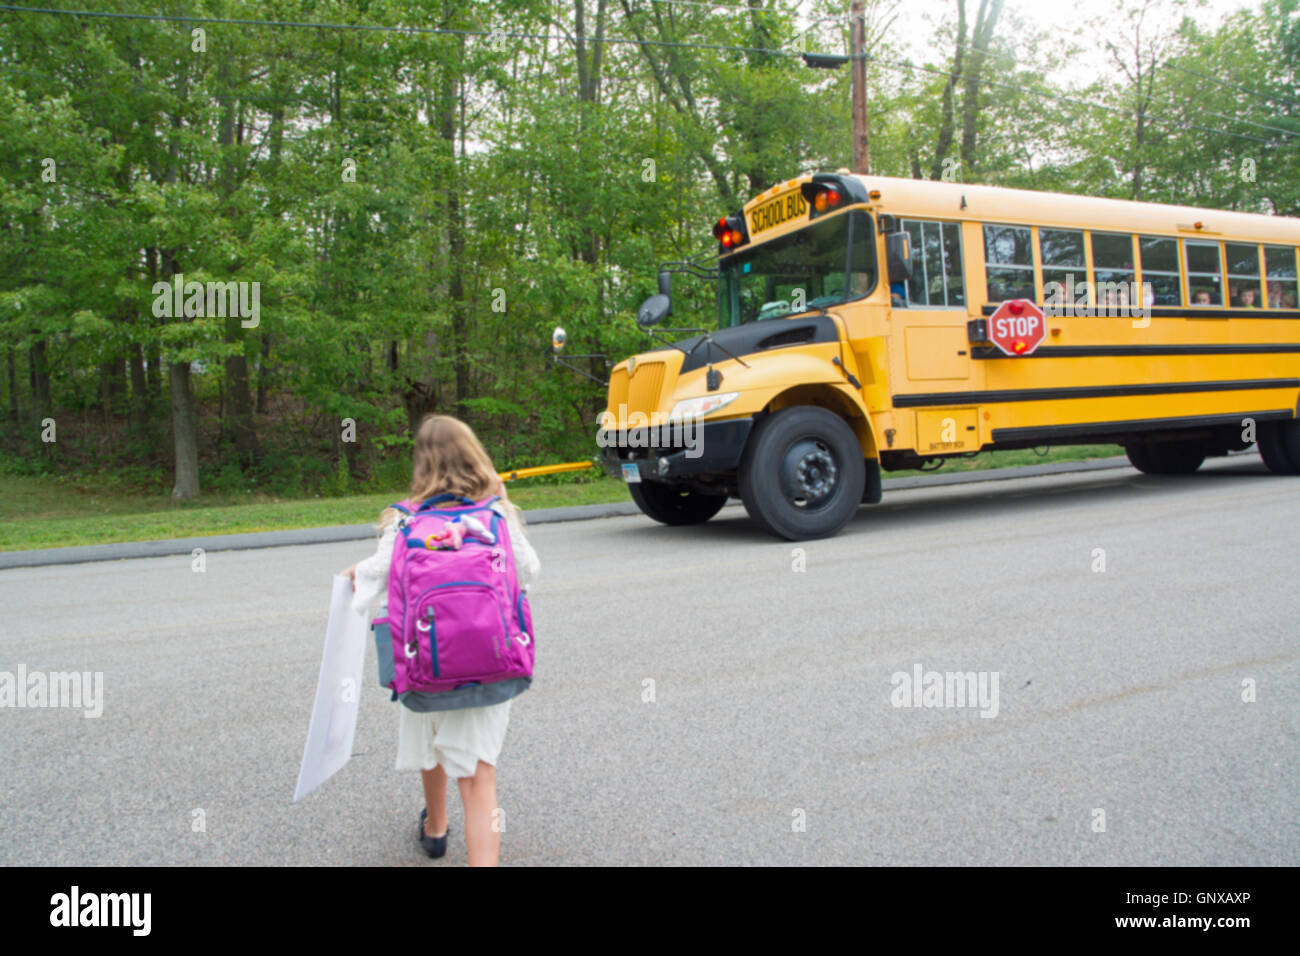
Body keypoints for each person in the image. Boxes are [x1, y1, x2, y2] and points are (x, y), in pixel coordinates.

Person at [342, 414, 540, 866]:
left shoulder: (407, 520)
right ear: (475, 453)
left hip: (425, 663)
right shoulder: (495, 514)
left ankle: (435, 829)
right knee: (478, 778)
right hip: (491, 663)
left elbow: (373, 580)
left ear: (422, 463)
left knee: (430, 738)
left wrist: (348, 576)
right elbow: (530, 571)